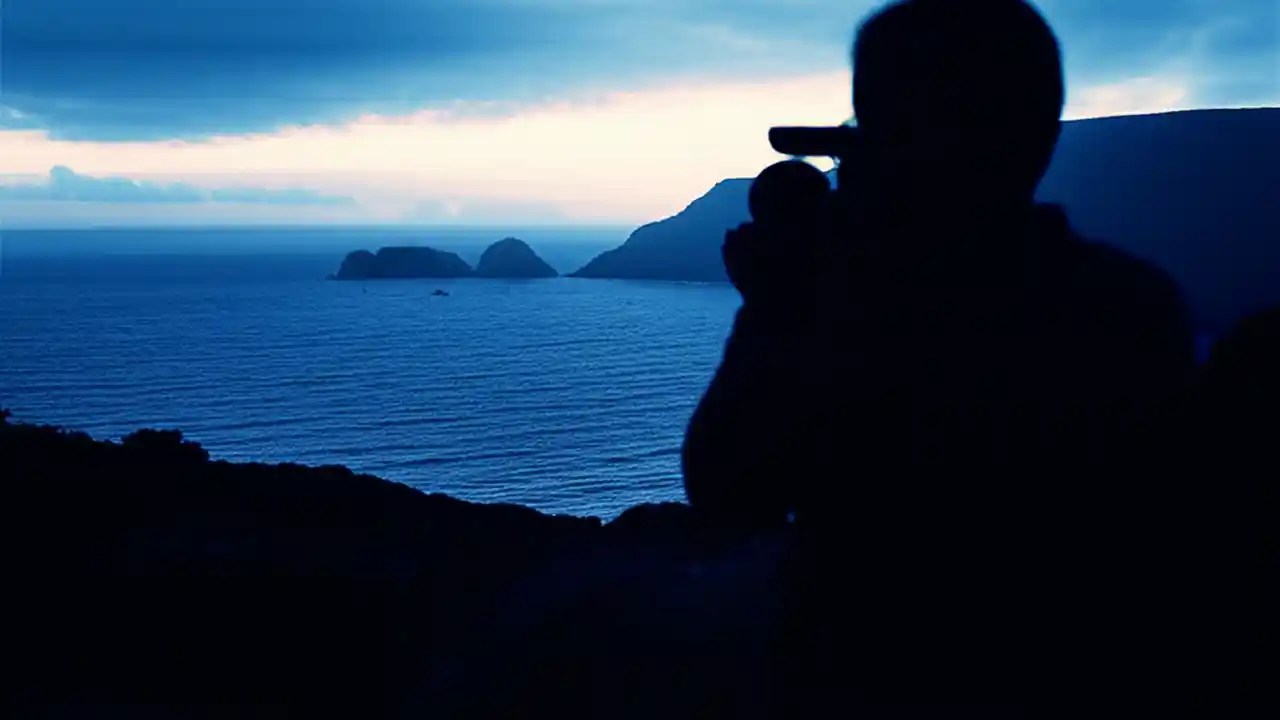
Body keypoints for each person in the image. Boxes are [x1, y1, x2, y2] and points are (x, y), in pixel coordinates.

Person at [680, 0, 1197, 712]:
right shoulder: (1132, 307)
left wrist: (774, 308)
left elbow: (730, 491)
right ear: (1040, 134)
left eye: (870, 127)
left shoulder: (856, 307)